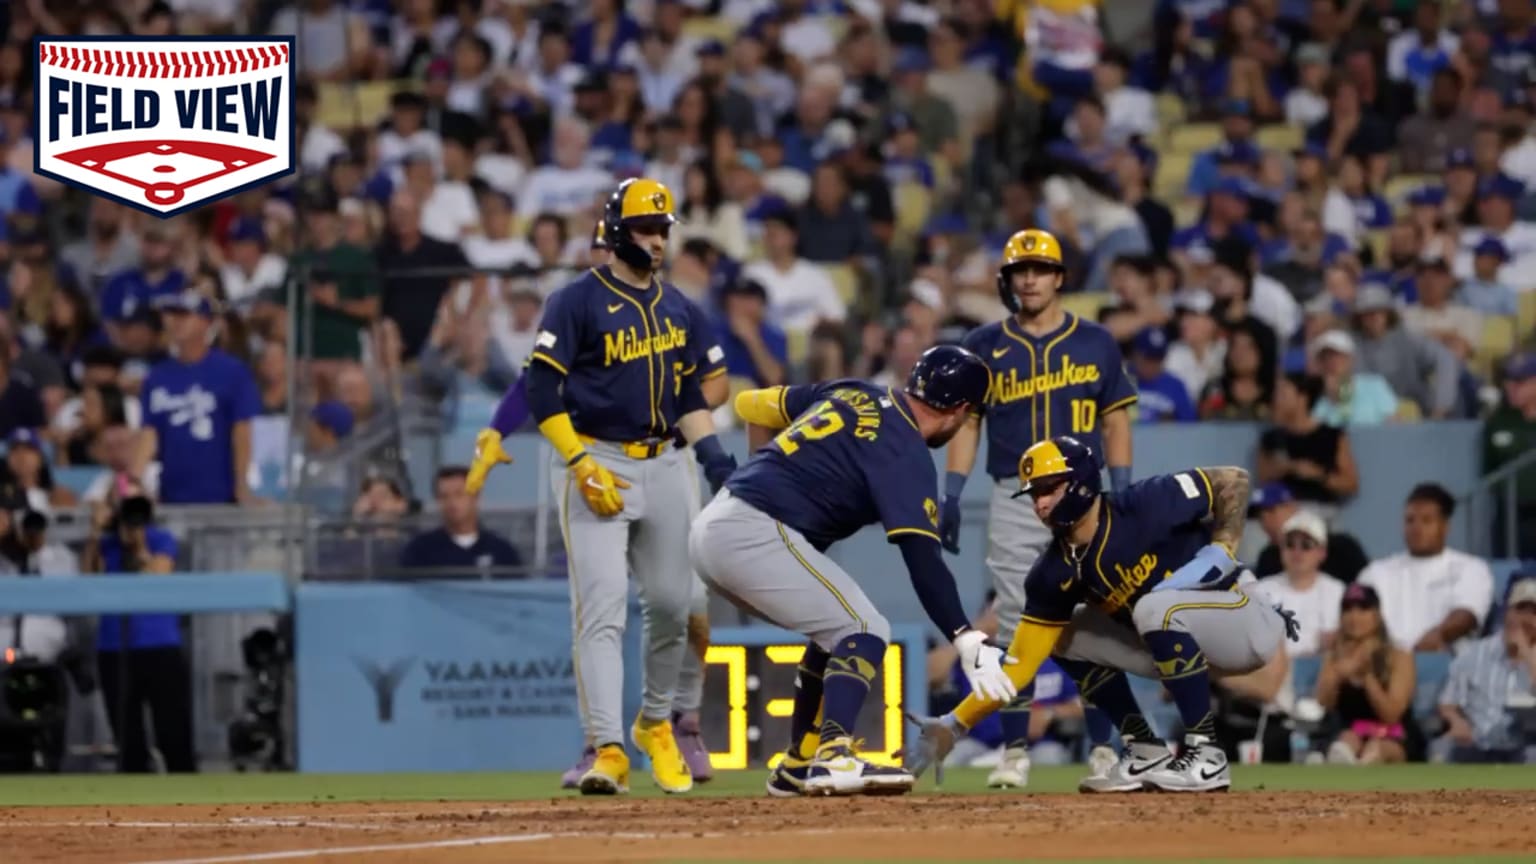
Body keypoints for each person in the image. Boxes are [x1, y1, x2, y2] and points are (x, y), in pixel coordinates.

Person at [463, 178, 736, 796]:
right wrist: (578, 462)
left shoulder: (679, 308)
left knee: (674, 601)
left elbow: (691, 394)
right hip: (599, 457)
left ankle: (657, 723)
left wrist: (717, 460)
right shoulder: (574, 300)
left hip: (665, 460)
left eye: (664, 229)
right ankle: (606, 747)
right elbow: (539, 386)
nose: (658, 240)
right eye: (646, 228)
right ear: (616, 231)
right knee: (602, 608)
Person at [690, 345, 1014, 796]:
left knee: (835, 631)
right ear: (961, 410)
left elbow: (752, 406)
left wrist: (760, 476)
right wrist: (965, 635)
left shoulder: (852, 391)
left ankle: (799, 763)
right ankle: (834, 755)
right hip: (751, 531)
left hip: (719, 521)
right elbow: (923, 560)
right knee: (865, 627)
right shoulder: (906, 452)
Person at [905, 436, 1297, 793]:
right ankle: (1144, 747)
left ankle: (1206, 755)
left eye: (1048, 489)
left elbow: (1233, 480)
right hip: (1175, 641)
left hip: (1243, 616)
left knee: (1151, 607)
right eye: (1034, 494)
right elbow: (1021, 665)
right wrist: (957, 723)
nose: (1039, 504)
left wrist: (1223, 547)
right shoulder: (1052, 572)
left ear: (1079, 481)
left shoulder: (1142, 503)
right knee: (1066, 636)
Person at [940, 228, 1136, 789]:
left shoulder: (1095, 341)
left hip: (1084, 495)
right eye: (1020, 270)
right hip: (1013, 494)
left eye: (1040, 269)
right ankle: (1015, 752)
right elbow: (968, 421)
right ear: (1007, 279)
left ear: (1059, 277)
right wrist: (952, 491)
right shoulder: (984, 343)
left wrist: (1120, 488)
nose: (1029, 278)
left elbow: (1115, 419)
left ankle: (1103, 748)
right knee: (1010, 623)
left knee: (1097, 618)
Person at [81, 481, 196, 773]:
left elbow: (159, 573)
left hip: (160, 645)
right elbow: (87, 577)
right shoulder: (105, 544)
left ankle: (193, 805)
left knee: (174, 734)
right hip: (115, 648)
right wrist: (96, 532)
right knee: (128, 741)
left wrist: (140, 545)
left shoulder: (160, 538)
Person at [133, 292, 261, 505]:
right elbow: (150, 431)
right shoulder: (156, 377)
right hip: (171, 495)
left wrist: (242, 485)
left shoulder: (232, 372)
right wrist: (135, 477)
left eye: (183, 314)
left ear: (205, 322)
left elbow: (241, 430)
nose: (174, 321)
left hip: (220, 495)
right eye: (170, 314)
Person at [1315, 584, 1420, 764]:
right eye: (1348, 609)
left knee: (1377, 748)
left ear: (1376, 615)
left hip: (1391, 733)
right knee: (1345, 741)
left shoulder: (1399, 657)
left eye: (1363, 609)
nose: (1354, 617)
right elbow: (1324, 703)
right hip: (1351, 731)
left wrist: (1367, 676)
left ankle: (1363, 768)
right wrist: (1339, 673)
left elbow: (1391, 714)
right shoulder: (1334, 657)